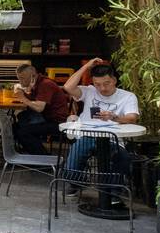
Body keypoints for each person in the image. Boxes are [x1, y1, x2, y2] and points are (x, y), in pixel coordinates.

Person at [62, 60, 139, 192]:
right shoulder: (89, 91)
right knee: (73, 161)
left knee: (123, 158)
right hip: (87, 136)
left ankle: (113, 194)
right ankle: (76, 182)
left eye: (106, 83)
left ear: (114, 80)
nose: (102, 88)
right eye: (97, 84)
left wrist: (114, 117)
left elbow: (133, 118)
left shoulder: (127, 96)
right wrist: (87, 66)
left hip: (113, 138)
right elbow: (68, 87)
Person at [12, 64, 70, 155]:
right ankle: (29, 152)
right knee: (16, 126)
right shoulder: (37, 83)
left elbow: (39, 108)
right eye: (19, 78)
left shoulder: (45, 84)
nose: (20, 81)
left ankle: (43, 160)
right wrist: (24, 92)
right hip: (46, 118)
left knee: (23, 132)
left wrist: (23, 98)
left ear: (33, 76)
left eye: (23, 78)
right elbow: (35, 99)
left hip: (58, 122)